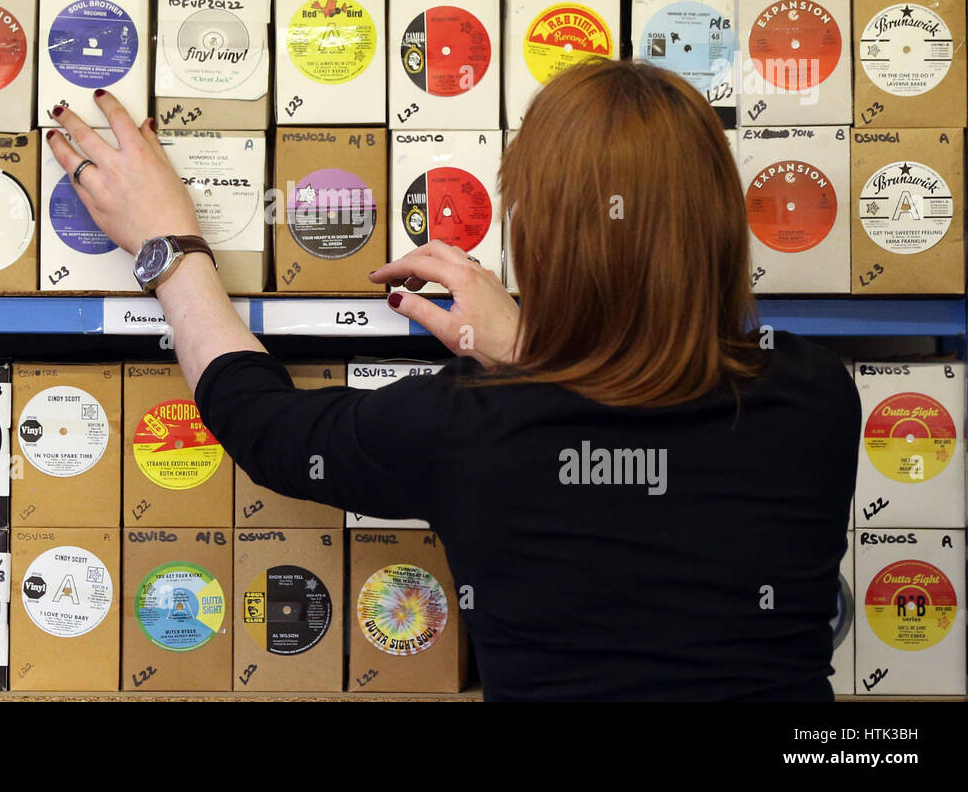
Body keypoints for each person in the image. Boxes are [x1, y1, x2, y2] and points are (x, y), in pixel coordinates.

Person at [46, 59, 859, 702]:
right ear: (720, 221)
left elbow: (268, 429)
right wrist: (531, 350)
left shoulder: (472, 428)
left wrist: (170, 247)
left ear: (536, 235)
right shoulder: (817, 397)